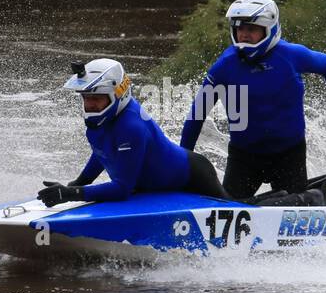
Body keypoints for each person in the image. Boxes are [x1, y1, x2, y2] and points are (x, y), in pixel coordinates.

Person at [179, 0, 326, 199]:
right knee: (228, 212)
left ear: (269, 29)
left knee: (295, 216)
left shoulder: (291, 55)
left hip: (289, 155)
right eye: (240, 28)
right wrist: (181, 162)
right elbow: (197, 115)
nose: (244, 35)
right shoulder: (224, 67)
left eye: (252, 29)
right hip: (244, 157)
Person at [38, 58, 228, 206]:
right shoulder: (103, 118)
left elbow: (122, 189)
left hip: (195, 177)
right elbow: (102, 151)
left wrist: (72, 194)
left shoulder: (131, 127)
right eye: (86, 98)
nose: (90, 105)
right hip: (154, 184)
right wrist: (77, 184)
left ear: (117, 94)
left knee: (238, 205)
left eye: (96, 98)